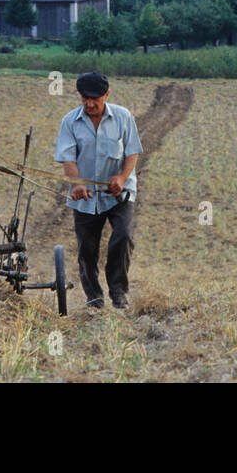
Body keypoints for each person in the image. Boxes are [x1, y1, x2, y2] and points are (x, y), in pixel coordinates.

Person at [53, 72, 143, 309]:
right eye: (84, 98)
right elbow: (68, 158)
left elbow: (132, 152)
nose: (90, 104)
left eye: (95, 98)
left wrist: (122, 177)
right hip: (86, 196)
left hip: (119, 194)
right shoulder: (70, 122)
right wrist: (77, 183)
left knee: (123, 235)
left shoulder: (123, 117)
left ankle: (118, 290)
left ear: (107, 95)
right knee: (87, 248)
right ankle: (94, 298)